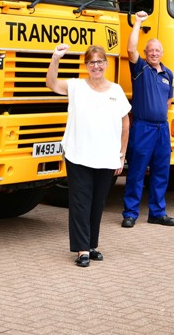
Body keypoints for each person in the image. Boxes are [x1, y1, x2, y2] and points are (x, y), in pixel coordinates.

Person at [46, 44, 130, 267]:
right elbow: (51, 83)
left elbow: (125, 124)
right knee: (81, 202)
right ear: (86, 66)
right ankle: (82, 250)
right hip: (78, 155)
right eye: (92, 62)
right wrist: (56, 58)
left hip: (106, 157)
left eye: (100, 61)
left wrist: (121, 155)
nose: (96, 66)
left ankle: (92, 245)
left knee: (97, 203)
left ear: (106, 64)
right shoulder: (75, 87)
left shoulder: (116, 90)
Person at [121, 11, 174, 228]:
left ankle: (157, 212)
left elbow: (169, 100)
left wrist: (159, 115)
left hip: (162, 130)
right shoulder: (140, 68)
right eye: (150, 50)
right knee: (136, 171)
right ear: (145, 53)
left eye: (157, 50)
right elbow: (130, 49)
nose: (154, 53)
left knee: (161, 171)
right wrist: (137, 23)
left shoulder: (168, 74)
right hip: (142, 128)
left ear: (162, 53)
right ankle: (130, 213)